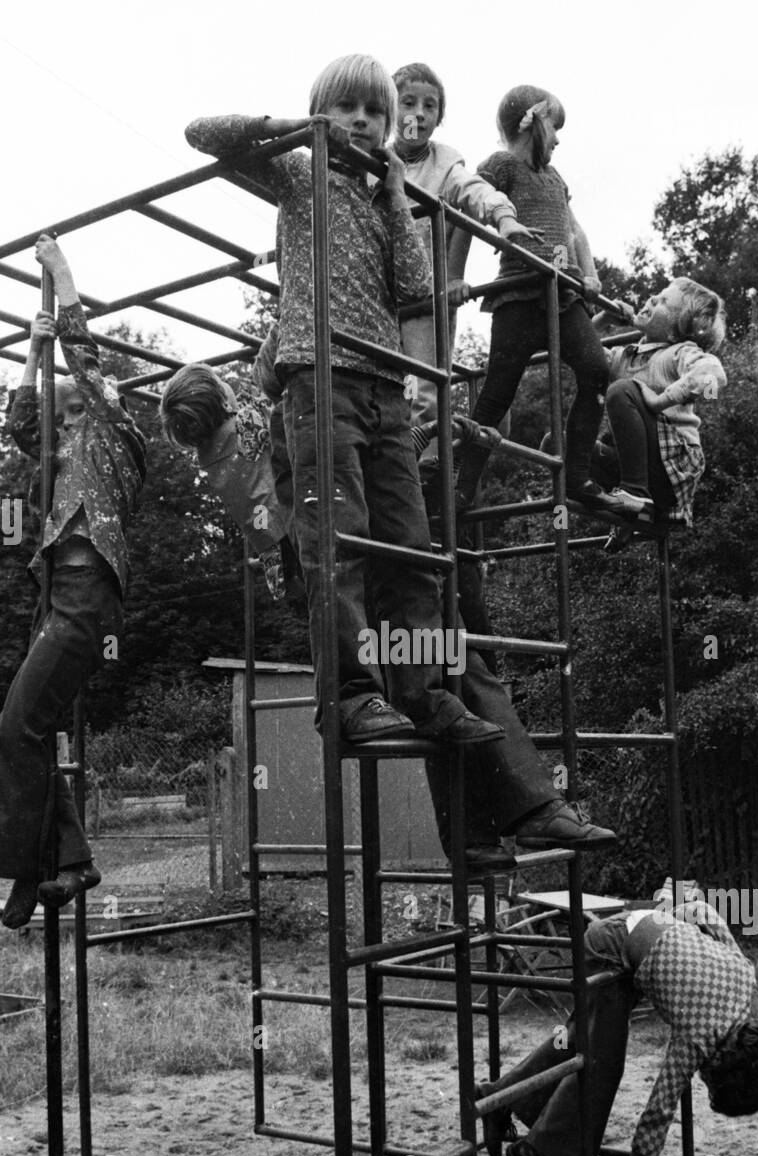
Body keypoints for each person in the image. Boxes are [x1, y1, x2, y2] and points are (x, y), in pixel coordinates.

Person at [185, 55, 503, 748]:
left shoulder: (385, 202)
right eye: (347, 109)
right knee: (339, 539)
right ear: (323, 113)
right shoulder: (298, 175)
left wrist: (393, 193)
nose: (363, 122)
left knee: (413, 551)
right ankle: (351, 697)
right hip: (319, 380)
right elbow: (200, 133)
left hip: (385, 386)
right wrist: (293, 131)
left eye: (374, 114)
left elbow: (416, 288)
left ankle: (425, 696)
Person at [0, 234, 146, 928]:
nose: (68, 414)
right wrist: (31, 347)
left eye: (76, 406)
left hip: (85, 593)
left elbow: (85, 366)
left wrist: (60, 275)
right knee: (27, 730)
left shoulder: (115, 437)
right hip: (55, 593)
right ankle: (73, 862)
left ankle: (29, 868)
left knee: (14, 731)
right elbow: (21, 421)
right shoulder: (59, 454)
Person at [479, 890, 758, 1156]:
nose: (702, 1077)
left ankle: (498, 1099)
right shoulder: (696, 1038)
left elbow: (700, 909)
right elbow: (658, 1112)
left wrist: (669, 933)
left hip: (632, 928)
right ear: (726, 1070)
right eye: (710, 1082)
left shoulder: (744, 975)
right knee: (602, 1066)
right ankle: (536, 1153)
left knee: (578, 1042)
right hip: (608, 949)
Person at [452, 85, 611, 513]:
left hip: (564, 295)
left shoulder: (557, 179)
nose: (558, 139)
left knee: (597, 370)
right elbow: (467, 214)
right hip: (519, 293)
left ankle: (577, 475)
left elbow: (575, 230)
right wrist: (453, 276)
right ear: (533, 122)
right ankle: (461, 487)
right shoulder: (501, 165)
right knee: (498, 391)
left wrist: (591, 274)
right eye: (554, 128)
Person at [390, 62, 539, 460]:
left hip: (424, 296)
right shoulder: (374, 162)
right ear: (391, 109)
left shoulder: (445, 163)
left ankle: (427, 470)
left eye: (430, 106)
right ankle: (386, 465)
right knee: (383, 385)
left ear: (440, 118)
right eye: (408, 102)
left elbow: (475, 192)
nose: (418, 113)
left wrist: (503, 218)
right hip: (382, 296)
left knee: (424, 387)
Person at [159, 323, 301, 601]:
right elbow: (267, 384)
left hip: (272, 555)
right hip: (290, 535)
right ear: (224, 401)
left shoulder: (207, 458)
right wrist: (280, 326)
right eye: (222, 381)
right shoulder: (246, 426)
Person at [590, 278, 727, 531]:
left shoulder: (678, 351)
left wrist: (659, 401)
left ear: (677, 329)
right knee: (559, 446)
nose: (652, 299)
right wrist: (603, 320)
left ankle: (634, 496)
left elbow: (713, 375)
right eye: (656, 295)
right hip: (646, 470)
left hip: (675, 467)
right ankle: (633, 516)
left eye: (664, 301)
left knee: (622, 390)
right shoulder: (625, 357)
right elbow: (577, 347)